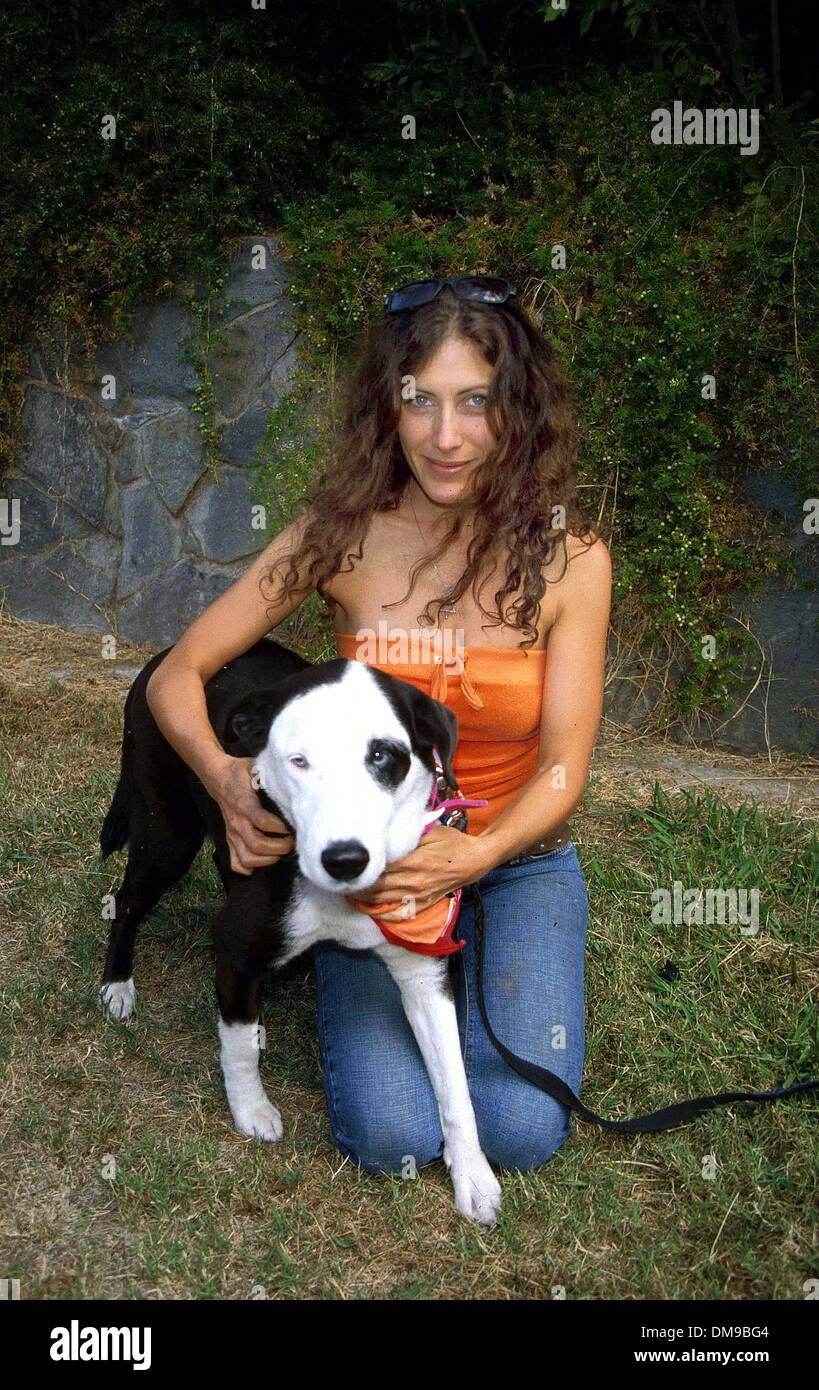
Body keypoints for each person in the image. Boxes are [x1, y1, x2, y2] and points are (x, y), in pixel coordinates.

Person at [146, 275, 612, 1174]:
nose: (446, 436)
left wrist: (474, 856)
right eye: (420, 402)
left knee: (519, 1131)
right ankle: (412, 972)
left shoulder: (572, 559)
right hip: (366, 869)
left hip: (514, 858)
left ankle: (476, 960)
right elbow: (180, 674)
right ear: (386, 409)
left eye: (476, 402)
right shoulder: (340, 534)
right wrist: (226, 781)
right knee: (392, 1137)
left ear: (516, 408)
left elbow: (563, 767)